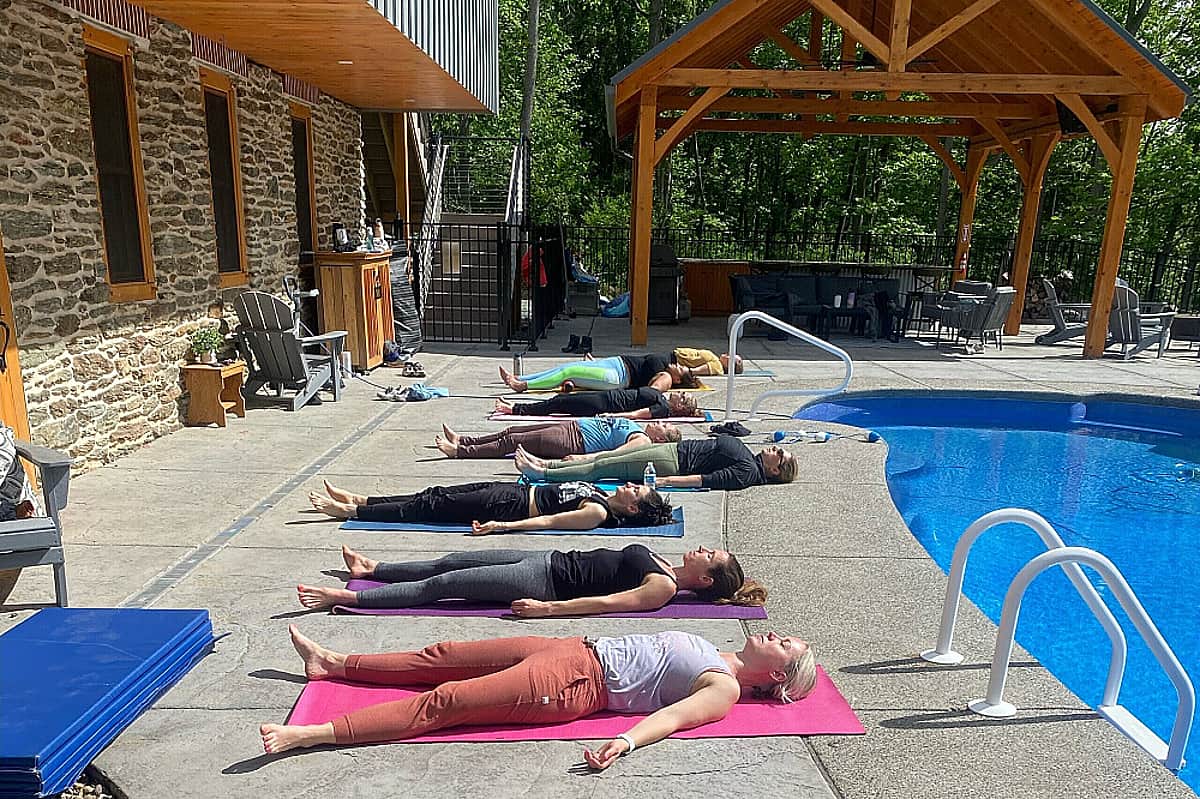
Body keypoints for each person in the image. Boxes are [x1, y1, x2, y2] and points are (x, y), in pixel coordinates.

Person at [259, 626, 817, 762]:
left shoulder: (721, 688)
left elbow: (671, 717)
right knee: (444, 656)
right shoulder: (720, 651)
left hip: (573, 685)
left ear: (775, 678)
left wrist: (622, 742)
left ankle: (310, 734)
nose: (776, 634)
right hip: (569, 647)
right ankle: (332, 664)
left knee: (448, 701)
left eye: (785, 645)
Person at [295, 542, 766, 613]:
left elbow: (604, 604)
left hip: (543, 584)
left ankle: (350, 598)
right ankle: (373, 570)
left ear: (705, 579)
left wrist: (547, 609)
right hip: (546, 557)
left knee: (442, 590)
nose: (702, 549)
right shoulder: (663, 563)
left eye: (710, 556)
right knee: (452, 560)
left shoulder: (662, 588)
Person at [306, 478, 674, 534]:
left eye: (635, 492)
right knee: (433, 494)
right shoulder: (600, 492)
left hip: (509, 506)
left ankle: (354, 513)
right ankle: (360, 499)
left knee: (430, 508)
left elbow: (547, 522)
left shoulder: (597, 512)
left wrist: (502, 526)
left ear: (632, 511)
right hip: (511, 490)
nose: (630, 487)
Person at [515, 438, 797, 492]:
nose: (775, 449)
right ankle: (545, 463)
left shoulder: (747, 473)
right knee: (603, 459)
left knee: (601, 469)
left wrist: (662, 482)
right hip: (671, 450)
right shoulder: (751, 462)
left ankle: (542, 473)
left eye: (779, 454)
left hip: (670, 462)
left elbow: (705, 479)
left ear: (775, 470)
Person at [499, 348, 743, 394]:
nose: (678, 364)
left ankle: (522, 386)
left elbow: (652, 392)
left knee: (567, 372)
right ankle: (522, 378)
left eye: (680, 368)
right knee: (565, 367)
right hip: (614, 363)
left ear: (678, 377)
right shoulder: (668, 367)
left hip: (617, 377)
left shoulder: (666, 376)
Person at [435, 419, 680, 459]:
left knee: (513, 442)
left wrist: (580, 460)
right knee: (511, 431)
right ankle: (465, 440)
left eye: (664, 426)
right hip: (573, 426)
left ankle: (459, 452)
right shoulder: (638, 426)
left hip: (574, 440)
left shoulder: (642, 440)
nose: (659, 423)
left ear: (661, 440)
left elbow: (611, 456)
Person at [494, 387, 701, 420]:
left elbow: (637, 414)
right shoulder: (662, 397)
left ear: (680, 407)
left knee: (559, 403)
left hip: (604, 405)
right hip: (605, 397)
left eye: (683, 397)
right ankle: (516, 405)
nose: (680, 393)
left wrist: (612, 416)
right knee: (560, 400)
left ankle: (513, 408)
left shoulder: (663, 408)